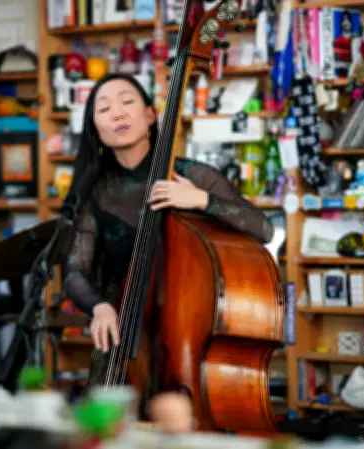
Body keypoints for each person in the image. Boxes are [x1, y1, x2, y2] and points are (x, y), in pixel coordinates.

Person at [63, 73, 274, 392]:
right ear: (96, 130)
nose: (117, 113)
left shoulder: (192, 175)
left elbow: (263, 228)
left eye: (127, 101)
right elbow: (75, 272)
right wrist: (99, 307)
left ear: (150, 115)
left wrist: (203, 200)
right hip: (125, 339)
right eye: (104, 109)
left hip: (191, 334)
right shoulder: (94, 192)